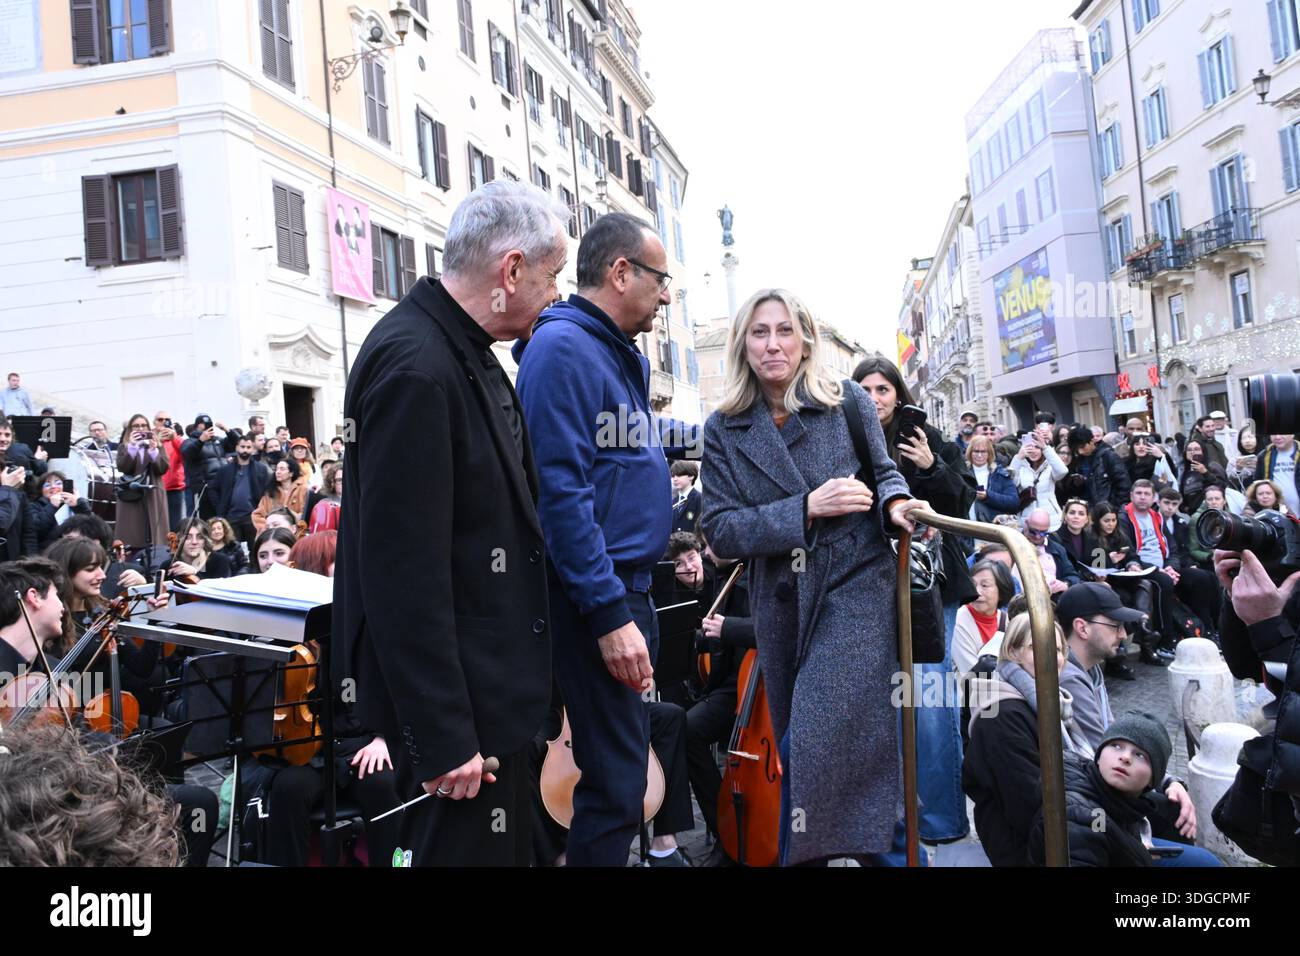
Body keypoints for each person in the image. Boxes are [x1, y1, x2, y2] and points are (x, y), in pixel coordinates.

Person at [334, 180, 566, 867]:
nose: (556, 295)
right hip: (462, 734)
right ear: (512, 269)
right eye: (551, 276)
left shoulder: (456, 349)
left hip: (492, 711)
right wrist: (445, 737)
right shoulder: (418, 365)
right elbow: (404, 575)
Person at [702, 288, 925, 866]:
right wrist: (804, 508)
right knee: (811, 759)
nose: (772, 344)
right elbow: (721, 533)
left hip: (855, 588)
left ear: (804, 341)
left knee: (818, 743)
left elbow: (885, 477)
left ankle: (850, 852)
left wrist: (899, 505)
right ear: (743, 345)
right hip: (780, 608)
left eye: (783, 331)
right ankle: (882, 851)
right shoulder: (725, 429)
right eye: (759, 332)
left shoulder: (845, 400)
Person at [515, 211, 699, 866]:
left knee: (622, 782)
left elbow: (630, 454)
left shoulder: (601, 352)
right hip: (601, 601)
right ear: (621, 272)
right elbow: (561, 498)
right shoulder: (565, 352)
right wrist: (608, 615)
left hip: (622, 594)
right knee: (620, 785)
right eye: (661, 278)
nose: (668, 293)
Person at [855, 352, 976, 845]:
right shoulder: (845, 441)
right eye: (865, 391)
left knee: (929, 700)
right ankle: (893, 817)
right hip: (869, 588)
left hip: (931, 589)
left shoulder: (932, 441)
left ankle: (941, 821)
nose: (875, 399)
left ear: (899, 395)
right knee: (883, 703)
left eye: (883, 389)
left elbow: (962, 502)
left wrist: (930, 467)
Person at [962, 612, 1088, 866]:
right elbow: (1028, 804)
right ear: (1013, 651)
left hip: (1059, 829)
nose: (1052, 656)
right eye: (1037, 647)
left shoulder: (1050, 701)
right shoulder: (1003, 714)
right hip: (1025, 847)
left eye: (1058, 649)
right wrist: (1103, 826)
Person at [1028, 712, 1220, 867]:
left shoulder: (1117, 799)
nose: (1125, 757)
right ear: (1099, 755)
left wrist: (1173, 783)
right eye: (1116, 746)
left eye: (1140, 755)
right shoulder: (1082, 818)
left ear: (1153, 780)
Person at [115, 413, 170, 565]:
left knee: (155, 533)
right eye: (136, 426)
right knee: (133, 532)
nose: (140, 429)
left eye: (143, 426)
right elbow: (123, 466)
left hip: (152, 494)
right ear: (130, 429)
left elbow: (163, 468)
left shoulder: (157, 445)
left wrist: (153, 451)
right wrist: (132, 447)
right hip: (132, 495)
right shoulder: (124, 446)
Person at [952, 559, 1014, 676]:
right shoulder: (958, 621)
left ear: (1001, 590)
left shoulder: (1006, 620)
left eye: (985, 585)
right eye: (973, 585)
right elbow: (971, 673)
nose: (977, 592)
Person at [212, 434, 270, 548]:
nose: (245, 450)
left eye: (248, 447)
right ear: (236, 448)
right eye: (242, 447)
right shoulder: (225, 470)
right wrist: (219, 506)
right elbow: (213, 489)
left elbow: (267, 491)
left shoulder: (261, 469)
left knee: (256, 548)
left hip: (253, 515)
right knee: (233, 549)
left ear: (252, 449)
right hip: (231, 516)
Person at [1011, 429, 1068, 529]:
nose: (1033, 451)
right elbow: (1010, 482)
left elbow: (1062, 471)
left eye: (1037, 447)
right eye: (1029, 447)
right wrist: (1018, 457)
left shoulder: (1050, 466)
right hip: (1026, 520)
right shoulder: (1021, 465)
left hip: (1051, 518)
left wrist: (1046, 448)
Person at [1015, 508, 1079, 596]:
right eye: (1033, 532)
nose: (1037, 537)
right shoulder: (1013, 543)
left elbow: (1073, 576)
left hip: (1051, 600)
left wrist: (1066, 584)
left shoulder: (1057, 549)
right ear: (1026, 523)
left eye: (1043, 533)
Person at [1067, 424, 1131, 508]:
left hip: (1108, 508)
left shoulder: (1108, 456)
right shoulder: (1078, 460)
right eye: (1076, 449)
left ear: (1092, 441)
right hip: (1086, 507)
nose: (1080, 451)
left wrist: (1117, 507)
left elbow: (1123, 484)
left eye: (1083, 447)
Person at [29, 471, 92, 549]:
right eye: (47, 485)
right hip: (47, 552)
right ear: (41, 491)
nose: (53, 487)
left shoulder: (75, 504)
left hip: (75, 551)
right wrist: (52, 506)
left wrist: (79, 504)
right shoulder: (34, 506)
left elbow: (90, 525)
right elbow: (36, 530)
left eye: (58, 483)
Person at [965, 435, 1019, 522]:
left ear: (989, 453)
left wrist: (988, 496)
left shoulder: (1000, 474)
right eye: (976, 451)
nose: (979, 455)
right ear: (970, 452)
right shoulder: (962, 473)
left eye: (983, 452)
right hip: (966, 527)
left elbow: (1013, 502)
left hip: (994, 528)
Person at [251, 458, 308, 533]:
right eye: (277, 469)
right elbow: (257, 515)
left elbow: (306, 514)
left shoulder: (303, 490)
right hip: (272, 536)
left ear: (291, 473)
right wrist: (270, 527)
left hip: (296, 534)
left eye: (282, 469)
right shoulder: (270, 492)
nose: (278, 472)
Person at [1052, 498, 1101, 581]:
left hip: (1089, 583)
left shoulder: (1092, 539)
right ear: (1065, 517)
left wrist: (1100, 575)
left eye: (1081, 514)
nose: (1076, 516)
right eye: (1072, 513)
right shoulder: (1054, 538)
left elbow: (1099, 565)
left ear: (1086, 519)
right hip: (1068, 584)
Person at [1177, 438, 1229, 515]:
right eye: (1189, 450)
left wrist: (1205, 472)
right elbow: (1181, 497)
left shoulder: (1213, 466)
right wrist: (1187, 509)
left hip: (1215, 512)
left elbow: (1222, 486)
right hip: (1196, 516)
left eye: (1196, 449)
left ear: (1203, 451)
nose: (1192, 452)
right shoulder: (1185, 472)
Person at [1253, 433, 1299, 516]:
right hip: (1279, 516)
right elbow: (1257, 485)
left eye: (1282, 433)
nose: (1277, 437)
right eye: (1273, 434)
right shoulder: (1264, 456)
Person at [1187, 484, 1227, 568]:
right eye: (1210, 499)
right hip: (1209, 561)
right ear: (1205, 501)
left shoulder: (1232, 517)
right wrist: (1210, 557)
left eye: (1217, 498)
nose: (1214, 502)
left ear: (1224, 501)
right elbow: (1193, 550)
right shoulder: (1197, 519)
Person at [670, 460, 702, 535]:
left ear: (691, 476)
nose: (675, 479)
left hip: (693, 544)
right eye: (673, 476)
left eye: (679, 475)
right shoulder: (673, 501)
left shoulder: (699, 498)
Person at [1227, 426, 1258, 491]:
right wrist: (1238, 469)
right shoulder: (1234, 460)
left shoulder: (1265, 456)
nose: (1247, 441)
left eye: (1251, 437)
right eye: (1243, 438)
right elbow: (1232, 482)